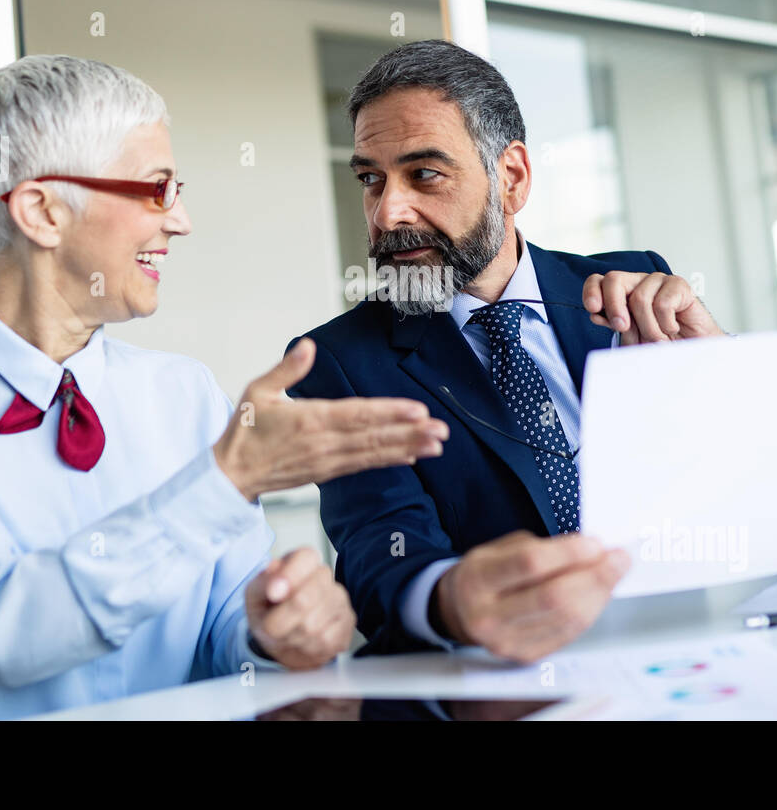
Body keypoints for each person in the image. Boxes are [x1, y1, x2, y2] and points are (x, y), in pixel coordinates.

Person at [0, 55, 448, 719]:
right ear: (43, 212)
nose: (181, 221)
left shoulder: (183, 391)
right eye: (156, 190)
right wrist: (222, 482)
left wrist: (273, 635)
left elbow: (229, 630)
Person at [289, 40, 725, 662]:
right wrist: (452, 599)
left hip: (704, 646)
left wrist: (719, 367)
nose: (388, 212)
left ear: (511, 178)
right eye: (371, 179)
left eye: (425, 174)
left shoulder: (639, 290)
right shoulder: (340, 361)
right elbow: (376, 551)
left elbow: (754, 481)